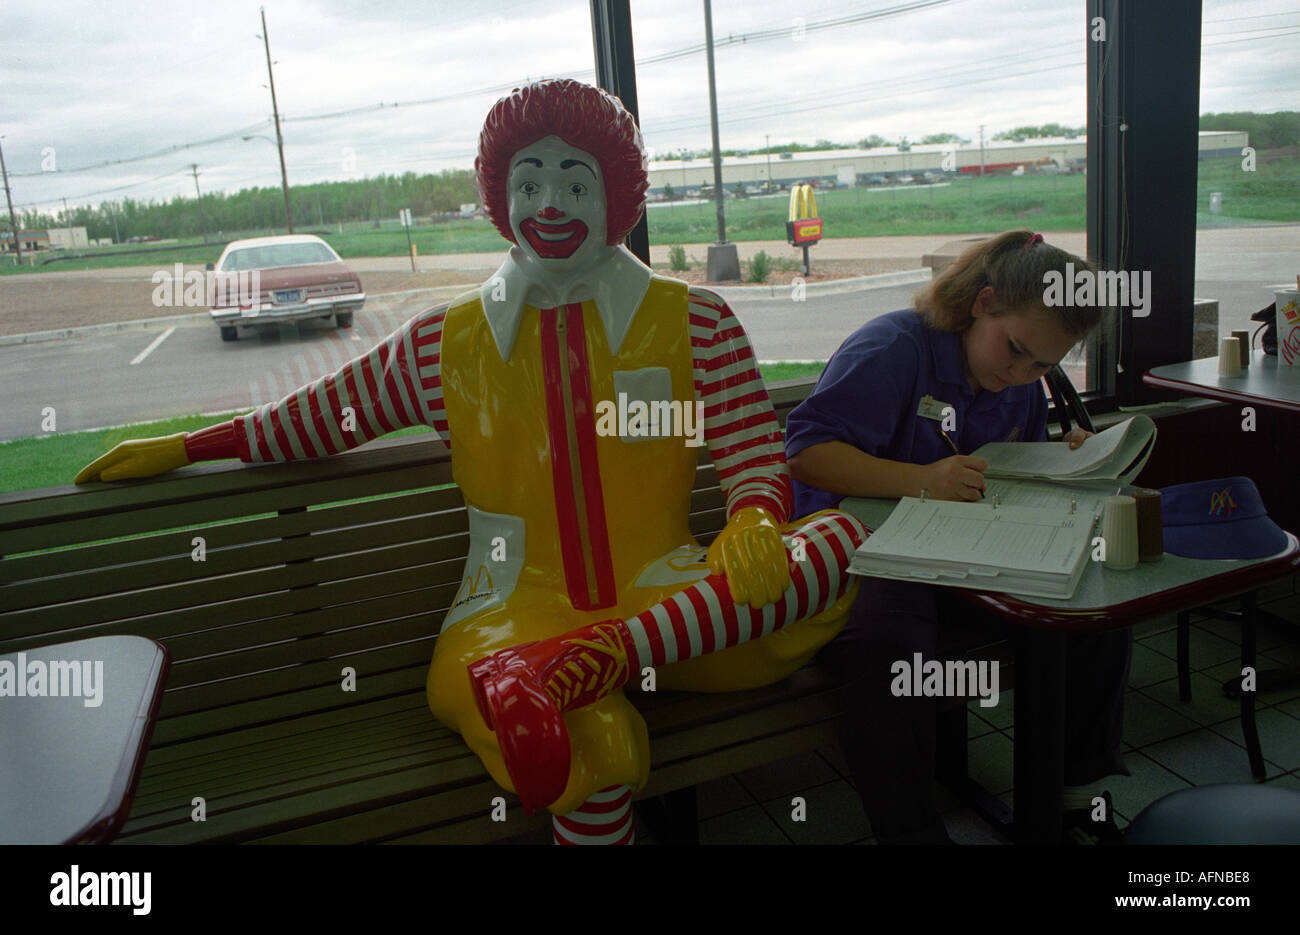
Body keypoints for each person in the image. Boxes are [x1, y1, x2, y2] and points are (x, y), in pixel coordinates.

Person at [75, 78, 867, 845]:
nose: (549, 205)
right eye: (529, 182)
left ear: (617, 195)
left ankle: (584, 662)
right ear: (500, 197)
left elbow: (748, 445)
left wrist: (757, 518)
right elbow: (320, 416)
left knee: (838, 545)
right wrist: (188, 446)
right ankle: (553, 684)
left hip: (666, 605)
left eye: (574, 181)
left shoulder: (696, 320)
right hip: (508, 616)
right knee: (594, 749)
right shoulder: (443, 343)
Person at [785, 230, 1131, 844]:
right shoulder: (893, 347)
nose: (1021, 373)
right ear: (984, 302)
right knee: (895, 647)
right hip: (859, 553)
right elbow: (808, 454)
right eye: (1017, 349)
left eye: (1043, 365)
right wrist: (920, 480)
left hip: (958, 555)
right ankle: (911, 831)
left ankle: (1071, 793)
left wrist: (1066, 460)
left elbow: (1010, 467)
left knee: (1094, 606)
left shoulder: (1019, 381)